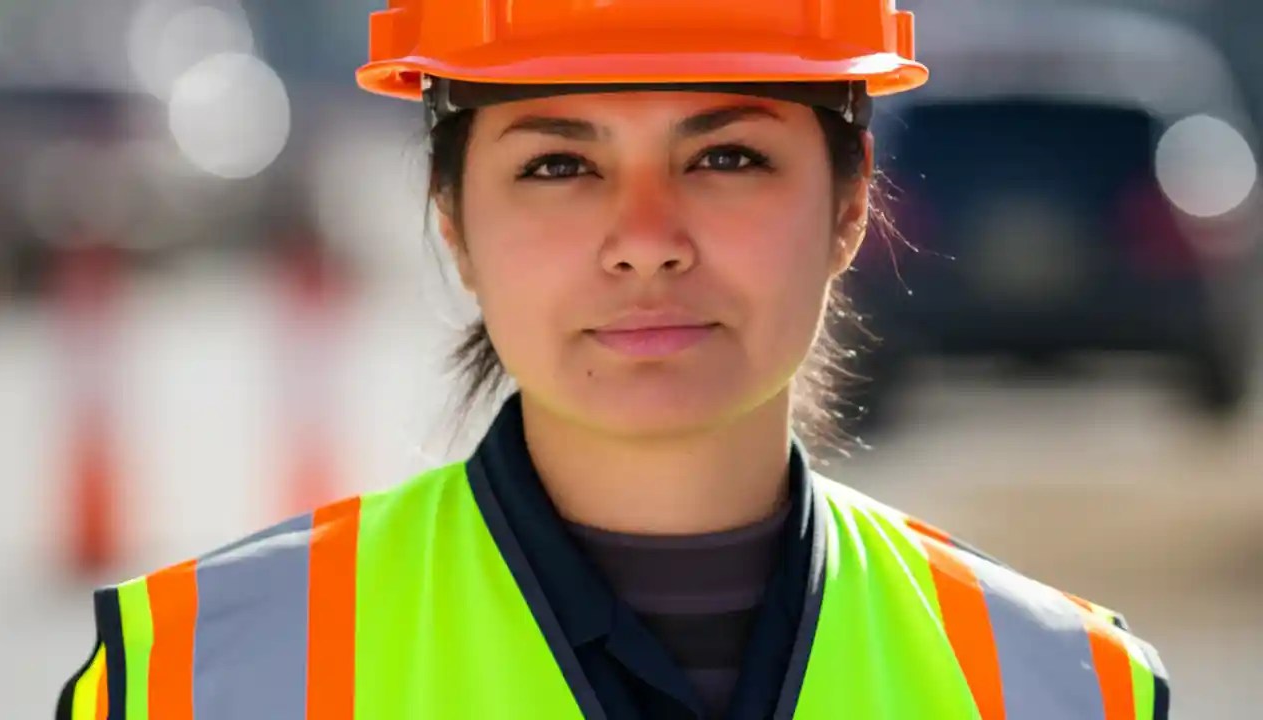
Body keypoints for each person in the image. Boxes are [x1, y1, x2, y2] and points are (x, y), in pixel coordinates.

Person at [57, 1, 1170, 718]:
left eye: (725, 155)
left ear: (849, 204)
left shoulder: (1060, 689)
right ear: (451, 217)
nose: (645, 237)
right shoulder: (196, 680)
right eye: (556, 166)